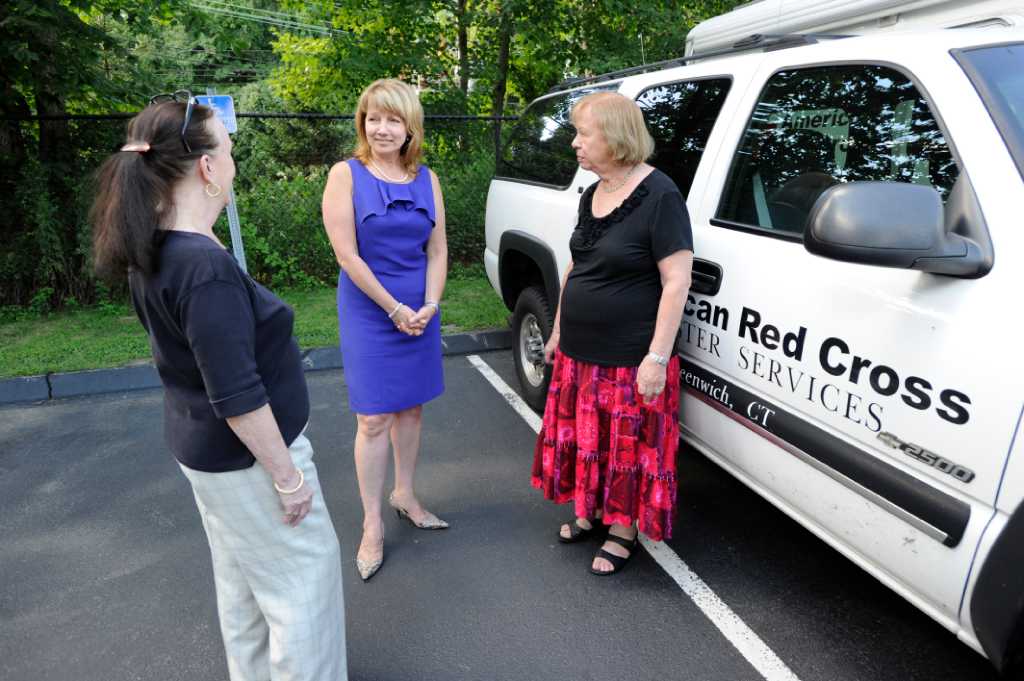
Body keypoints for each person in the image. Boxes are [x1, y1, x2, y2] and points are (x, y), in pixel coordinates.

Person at [91, 93, 347, 680]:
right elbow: (236, 392)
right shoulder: (201, 269)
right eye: (228, 151)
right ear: (206, 168)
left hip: (205, 453)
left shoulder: (152, 246)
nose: (233, 162)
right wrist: (288, 478)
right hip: (247, 463)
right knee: (302, 587)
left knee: (243, 584)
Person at [531, 91, 694, 576]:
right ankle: (592, 510)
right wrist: (559, 329)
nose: (575, 145)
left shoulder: (661, 195)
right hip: (581, 353)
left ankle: (623, 530)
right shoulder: (593, 192)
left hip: (628, 357)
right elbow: (576, 265)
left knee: (625, 447)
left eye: (584, 134)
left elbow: (677, 280)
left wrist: (657, 358)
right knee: (588, 440)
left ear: (616, 137)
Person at [322, 78, 449, 582]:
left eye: (393, 119)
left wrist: (430, 304)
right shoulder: (345, 175)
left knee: (412, 409)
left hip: (419, 308)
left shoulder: (427, 178)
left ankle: (406, 495)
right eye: (373, 118)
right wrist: (395, 308)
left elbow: (437, 250)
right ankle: (373, 522)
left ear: (409, 126)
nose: (381, 128)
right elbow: (346, 255)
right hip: (371, 308)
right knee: (374, 418)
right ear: (362, 122)